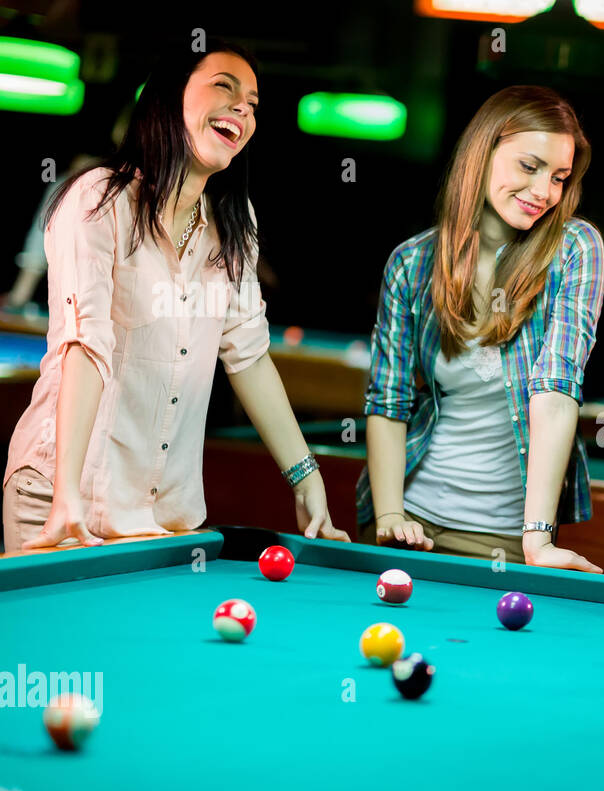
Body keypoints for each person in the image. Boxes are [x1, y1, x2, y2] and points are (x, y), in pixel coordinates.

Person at [2, 40, 349, 551]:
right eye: (224, 88)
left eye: (252, 105)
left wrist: (306, 477)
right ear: (168, 99)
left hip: (167, 512)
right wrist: (66, 492)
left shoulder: (234, 224)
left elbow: (249, 357)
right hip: (64, 498)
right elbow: (85, 345)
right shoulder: (99, 200)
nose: (242, 110)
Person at [357, 85, 604, 571]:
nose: (543, 192)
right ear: (481, 152)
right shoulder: (413, 262)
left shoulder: (574, 250)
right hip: (408, 520)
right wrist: (388, 517)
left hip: (505, 539)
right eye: (528, 167)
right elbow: (388, 401)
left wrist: (538, 541)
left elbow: (555, 392)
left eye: (558, 177)